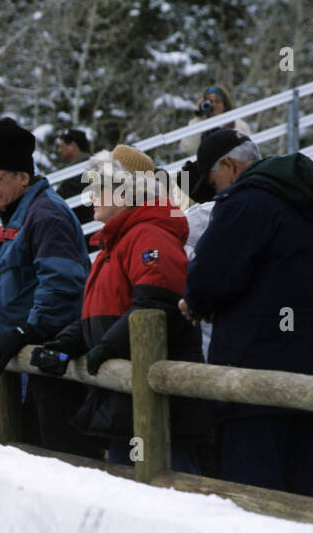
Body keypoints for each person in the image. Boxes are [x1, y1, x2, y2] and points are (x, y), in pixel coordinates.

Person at [181, 131, 313, 497]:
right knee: (305, 498)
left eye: (213, 181)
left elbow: (208, 279)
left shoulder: (245, 204)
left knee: (253, 498)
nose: (216, 193)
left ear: (229, 165)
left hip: (254, 380)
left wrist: (195, 304)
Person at [31, 145, 207, 471]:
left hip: (158, 405)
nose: (91, 196)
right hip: (125, 395)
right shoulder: (117, 242)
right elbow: (100, 313)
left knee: (174, 492)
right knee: (127, 489)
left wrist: (106, 347)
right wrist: (69, 342)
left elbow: (156, 307)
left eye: (99, 188)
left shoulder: (150, 236)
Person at [0, 118, 93, 456]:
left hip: (54, 360)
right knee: (24, 452)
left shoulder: (46, 216)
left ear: (22, 177)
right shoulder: (18, 216)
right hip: (29, 356)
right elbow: (16, 276)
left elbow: (61, 285)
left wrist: (24, 331)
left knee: (60, 460)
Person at [178, 84, 251, 155]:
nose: (213, 105)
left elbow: (248, 149)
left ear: (225, 105)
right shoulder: (197, 124)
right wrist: (199, 117)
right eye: (210, 102)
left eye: (217, 101)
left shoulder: (237, 124)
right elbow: (191, 149)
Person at [54, 129, 92, 221]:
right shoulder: (93, 165)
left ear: (73, 146)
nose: (59, 150)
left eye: (61, 146)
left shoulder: (78, 172)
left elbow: (60, 200)